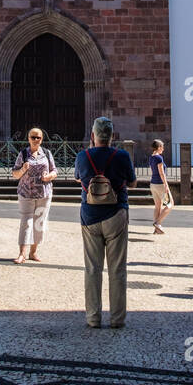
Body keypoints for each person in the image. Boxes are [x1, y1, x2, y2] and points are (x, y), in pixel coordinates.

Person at [75, 116, 137, 328]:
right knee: (117, 269)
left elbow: (78, 178)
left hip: (90, 216)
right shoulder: (121, 155)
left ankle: (93, 318)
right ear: (112, 136)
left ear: (92, 136)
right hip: (116, 214)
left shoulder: (83, 156)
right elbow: (133, 182)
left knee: (92, 268)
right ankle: (117, 319)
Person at [12, 127, 57, 262]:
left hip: (44, 193)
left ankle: (33, 252)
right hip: (26, 193)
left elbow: (55, 171)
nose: (35, 140)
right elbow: (14, 174)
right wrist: (23, 169)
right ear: (28, 138)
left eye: (38, 137)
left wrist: (48, 177)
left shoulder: (47, 154)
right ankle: (22, 253)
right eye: (33, 137)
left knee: (39, 223)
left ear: (42, 139)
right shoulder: (23, 154)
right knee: (26, 222)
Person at [148, 139, 173, 233]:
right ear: (159, 147)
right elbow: (161, 173)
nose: (163, 149)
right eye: (162, 147)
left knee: (157, 206)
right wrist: (166, 185)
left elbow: (152, 171)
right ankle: (158, 223)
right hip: (160, 184)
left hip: (153, 184)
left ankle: (156, 229)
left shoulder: (151, 157)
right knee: (170, 204)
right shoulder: (159, 158)